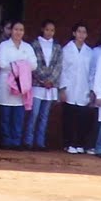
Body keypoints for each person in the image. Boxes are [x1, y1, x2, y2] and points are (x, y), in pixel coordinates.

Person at [0, 20, 35, 149]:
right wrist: (22, 65)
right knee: (5, 116)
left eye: (21, 30)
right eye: (16, 29)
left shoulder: (27, 47)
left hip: (22, 85)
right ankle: (6, 141)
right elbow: (3, 64)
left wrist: (16, 65)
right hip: (6, 84)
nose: (18, 32)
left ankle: (16, 141)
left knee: (18, 116)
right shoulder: (4, 46)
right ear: (11, 31)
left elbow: (34, 65)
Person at [57, 22, 94, 154]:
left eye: (84, 32)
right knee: (69, 117)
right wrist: (62, 89)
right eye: (79, 32)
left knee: (82, 118)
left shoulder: (89, 52)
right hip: (69, 88)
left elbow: (91, 72)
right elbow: (62, 70)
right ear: (74, 33)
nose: (81, 35)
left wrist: (91, 90)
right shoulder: (66, 49)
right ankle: (68, 143)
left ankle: (79, 143)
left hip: (84, 88)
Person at [25, 19, 61, 150]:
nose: (49, 32)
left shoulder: (57, 47)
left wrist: (51, 80)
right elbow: (34, 65)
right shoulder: (34, 45)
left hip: (50, 86)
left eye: (52, 30)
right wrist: (43, 80)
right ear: (42, 29)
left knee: (44, 116)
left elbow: (58, 66)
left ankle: (40, 142)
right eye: (47, 29)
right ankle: (28, 140)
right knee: (33, 115)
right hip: (37, 85)